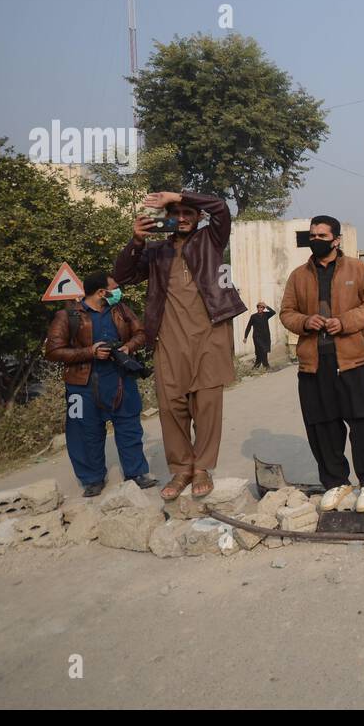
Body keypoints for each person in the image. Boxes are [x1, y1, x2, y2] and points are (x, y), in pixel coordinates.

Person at [114, 190, 245, 501]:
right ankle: (181, 467)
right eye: (176, 213)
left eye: (189, 213)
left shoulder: (211, 240)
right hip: (168, 336)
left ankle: (202, 468)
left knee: (208, 402)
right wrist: (136, 242)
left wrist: (176, 195)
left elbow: (220, 208)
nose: (183, 218)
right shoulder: (157, 252)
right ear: (167, 218)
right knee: (171, 404)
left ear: (199, 217)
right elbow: (123, 275)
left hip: (210, 332)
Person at [279, 215, 364, 491]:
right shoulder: (298, 276)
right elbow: (287, 312)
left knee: (362, 421)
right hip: (313, 363)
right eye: (312, 236)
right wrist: (304, 321)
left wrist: (345, 322)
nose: (316, 240)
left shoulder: (359, 269)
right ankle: (336, 483)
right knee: (322, 426)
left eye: (322, 236)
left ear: (336, 240)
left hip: (351, 361)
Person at [45, 272, 156, 497]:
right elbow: (53, 351)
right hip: (82, 384)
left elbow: (141, 333)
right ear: (101, 292)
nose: (118, 291)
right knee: (84, 432)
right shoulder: (67, 316)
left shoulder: (121, 310)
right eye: (114, 287)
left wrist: (129, 347)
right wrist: (90, 352)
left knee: (129, 427)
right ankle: (92, 479)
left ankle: (136, 474)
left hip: (120, 379)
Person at [243, 301, 277, 369]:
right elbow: (249, 326)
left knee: (260, 352)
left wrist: (266, 306)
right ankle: (266, 366)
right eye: (259, 307)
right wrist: (245, 337)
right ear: (257, 308)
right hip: (257, 337)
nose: (260, 308)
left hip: (265, 336)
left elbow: (273, 312)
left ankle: (256, 366)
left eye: (262, 307)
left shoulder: (266, 315)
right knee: (263, 350)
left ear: (263, 308)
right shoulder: (253, 316)